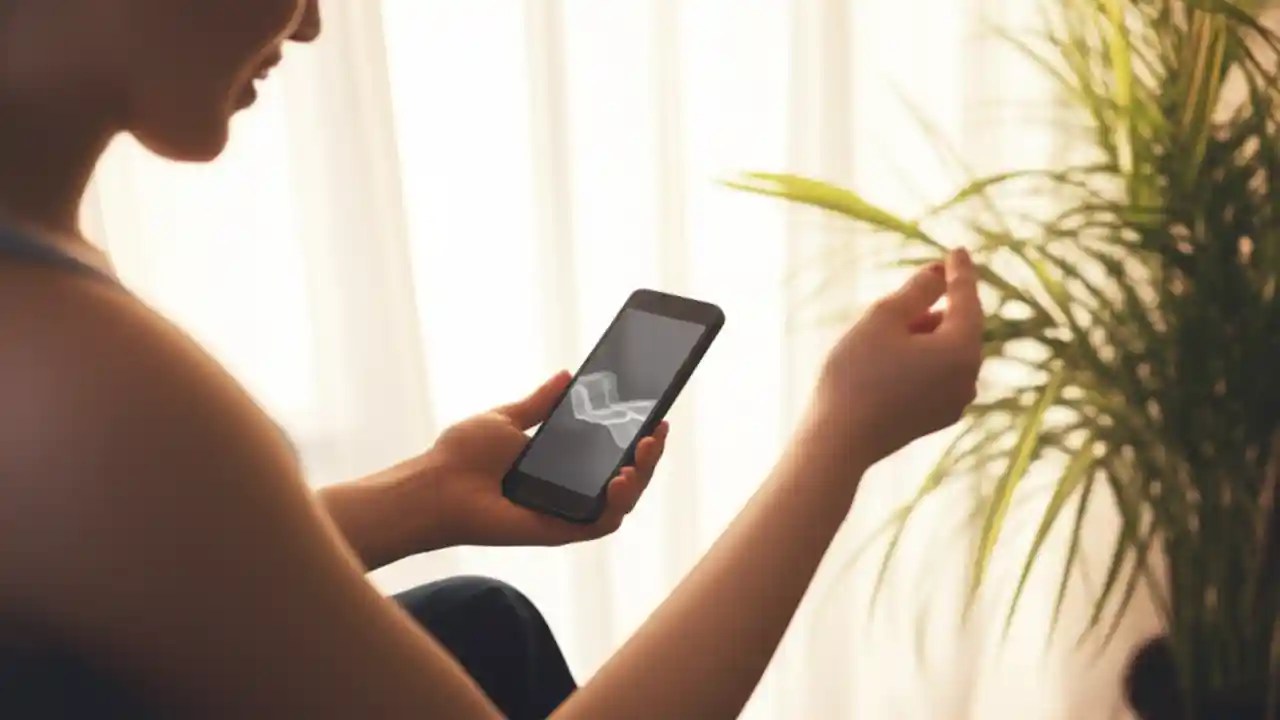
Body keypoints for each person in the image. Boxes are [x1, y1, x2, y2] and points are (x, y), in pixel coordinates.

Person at [0, 1, 984, 717]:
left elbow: (114, 583)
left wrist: (428, 491)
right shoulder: (73, 376)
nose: (306, 24)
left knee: (478, 620)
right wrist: (838, 439)